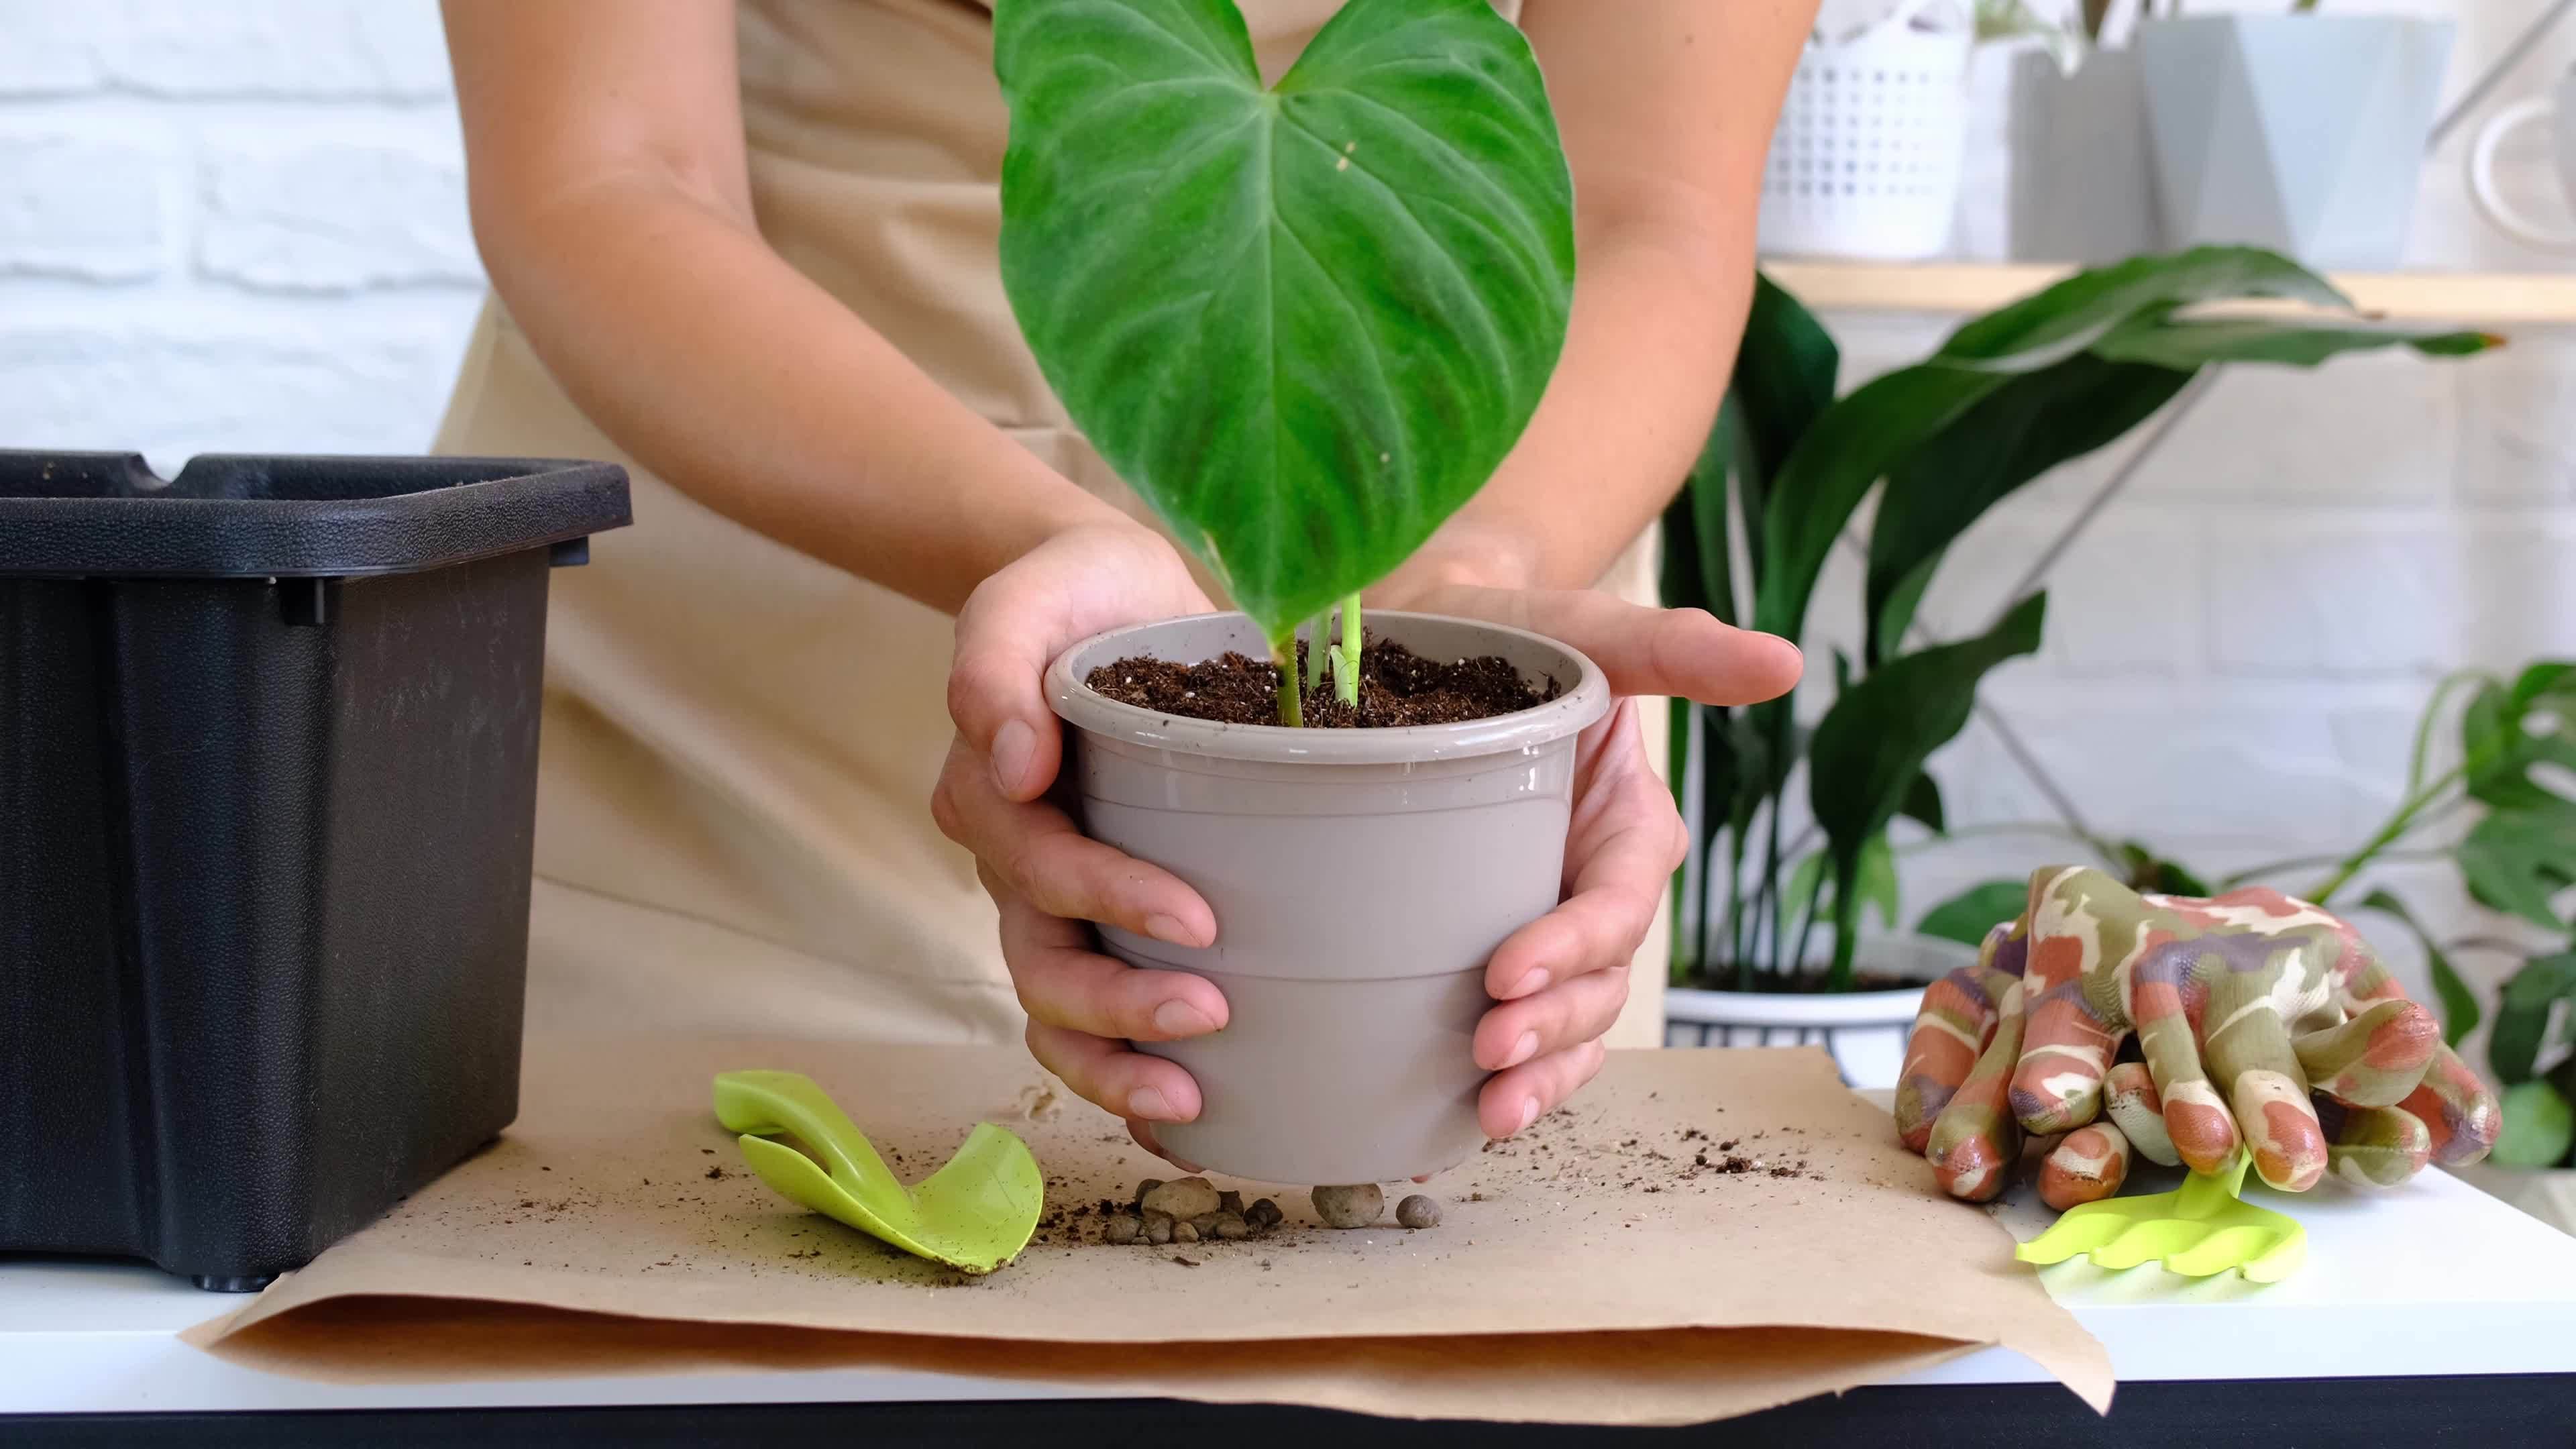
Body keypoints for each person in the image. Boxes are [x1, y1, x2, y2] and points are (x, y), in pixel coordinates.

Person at [435, 0, 1812, 1163]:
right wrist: (1021, 537)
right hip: (743, 624)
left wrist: (1467, 593)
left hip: (1469, 533)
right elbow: (609, 169)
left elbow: (1652, 207)